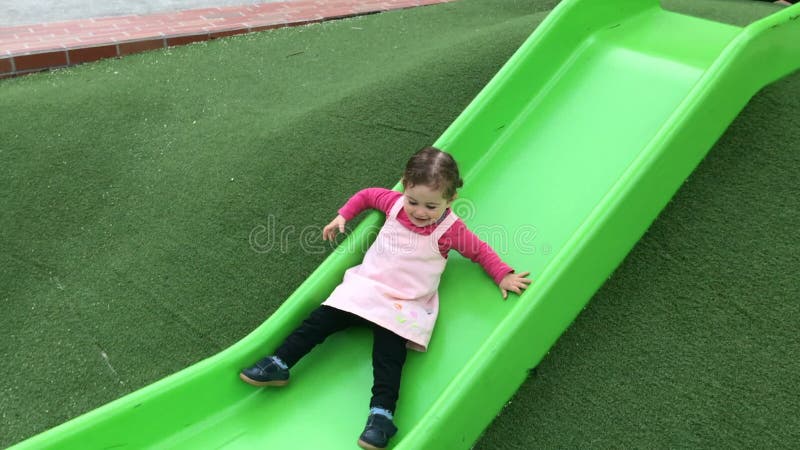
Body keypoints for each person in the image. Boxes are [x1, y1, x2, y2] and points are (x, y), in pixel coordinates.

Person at [240, 146, 532, 450]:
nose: (420, 212)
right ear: (404, 187)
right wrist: (344, 215)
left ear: (450, 201)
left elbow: (479, 251)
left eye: (431, 206)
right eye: (413, 201)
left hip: (404, 302)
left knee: (389, 357)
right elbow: (366, 194)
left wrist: (503, 274)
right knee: (320, 320)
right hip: (367, 286)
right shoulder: (393, 204)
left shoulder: (450, 229)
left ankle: (381, 416)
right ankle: (280, 363)